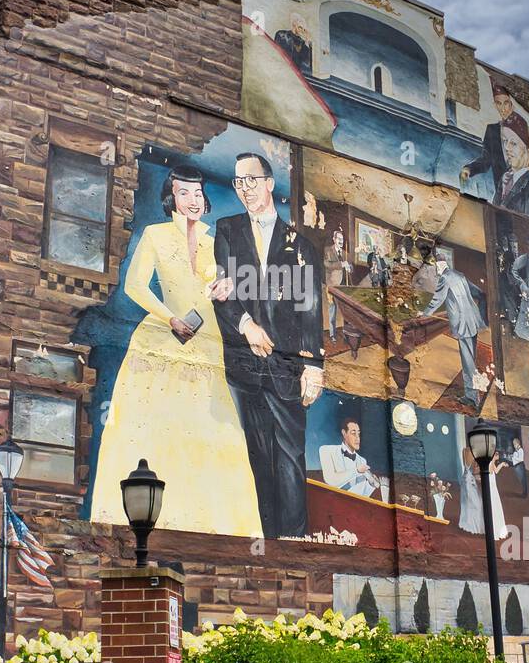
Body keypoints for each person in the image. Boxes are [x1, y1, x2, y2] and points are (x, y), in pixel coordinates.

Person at [89, 165, 262, 537]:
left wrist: (226, 287)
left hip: (207, 342)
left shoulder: (216, 239)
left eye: (198, 193)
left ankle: (212, 528)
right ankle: (153, 522)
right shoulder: (155, 235)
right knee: (156, 428)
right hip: (162, 340)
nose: (194, 200)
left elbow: (227, 286)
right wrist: (169, 319)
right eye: (185, 193)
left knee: (213, 435)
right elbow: (135, 286)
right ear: (172, 197)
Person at [211, 153, 324, 540]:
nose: (245, 189)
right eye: (239, 182)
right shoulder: (226, 230)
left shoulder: (302, 246)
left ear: (270, 183)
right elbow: (223, 290)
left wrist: (314, 367)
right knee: (258, 458)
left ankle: (293, 543)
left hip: (288, 367)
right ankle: (268, 542)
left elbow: (311, 310)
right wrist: (246, 326)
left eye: (252, 180)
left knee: (291, 458)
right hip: (244, 364)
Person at [421, 258, 488, 406]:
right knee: (471, 357)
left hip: (462, 323)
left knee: (467, 360)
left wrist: (424, 313)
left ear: (440, 267)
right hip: (472, 320)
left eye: (436, 268)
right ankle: (473, 392)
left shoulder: (444, 278)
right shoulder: (459, 275)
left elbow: (437, 299)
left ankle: (472, 397)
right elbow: (477, 292)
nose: (436, 271)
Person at [458, 436, 508, 538]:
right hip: (471, 481)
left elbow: (469, 467)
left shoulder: (464, 450)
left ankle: (468, 524)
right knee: (477, 504)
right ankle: (475, 526)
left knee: (468, 503)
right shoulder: (475, 452)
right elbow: (477, 470)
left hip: (465, 479)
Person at [319, 416, 381, 497]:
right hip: (334, 504)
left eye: (358, 433)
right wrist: (356, 471)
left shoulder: (362, 461)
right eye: (353, 433)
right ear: (344, 433)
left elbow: (363, 496)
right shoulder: (326, 451)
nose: (358, 438)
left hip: (354, 507)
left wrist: (371, 485)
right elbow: (330, 480)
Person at [323, 227, 351, 341]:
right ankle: (332, 335)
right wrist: (341, 264)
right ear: (334, 239)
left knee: (346, 312)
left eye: (342, 239)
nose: (341, 241)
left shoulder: (345, 253)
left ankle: (346, 333)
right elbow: (327, 265)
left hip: (344, 286)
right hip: (332, 286)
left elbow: (349, 266)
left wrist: (349, 267)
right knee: (332, 311)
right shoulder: (328, 250)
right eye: (338, 239)